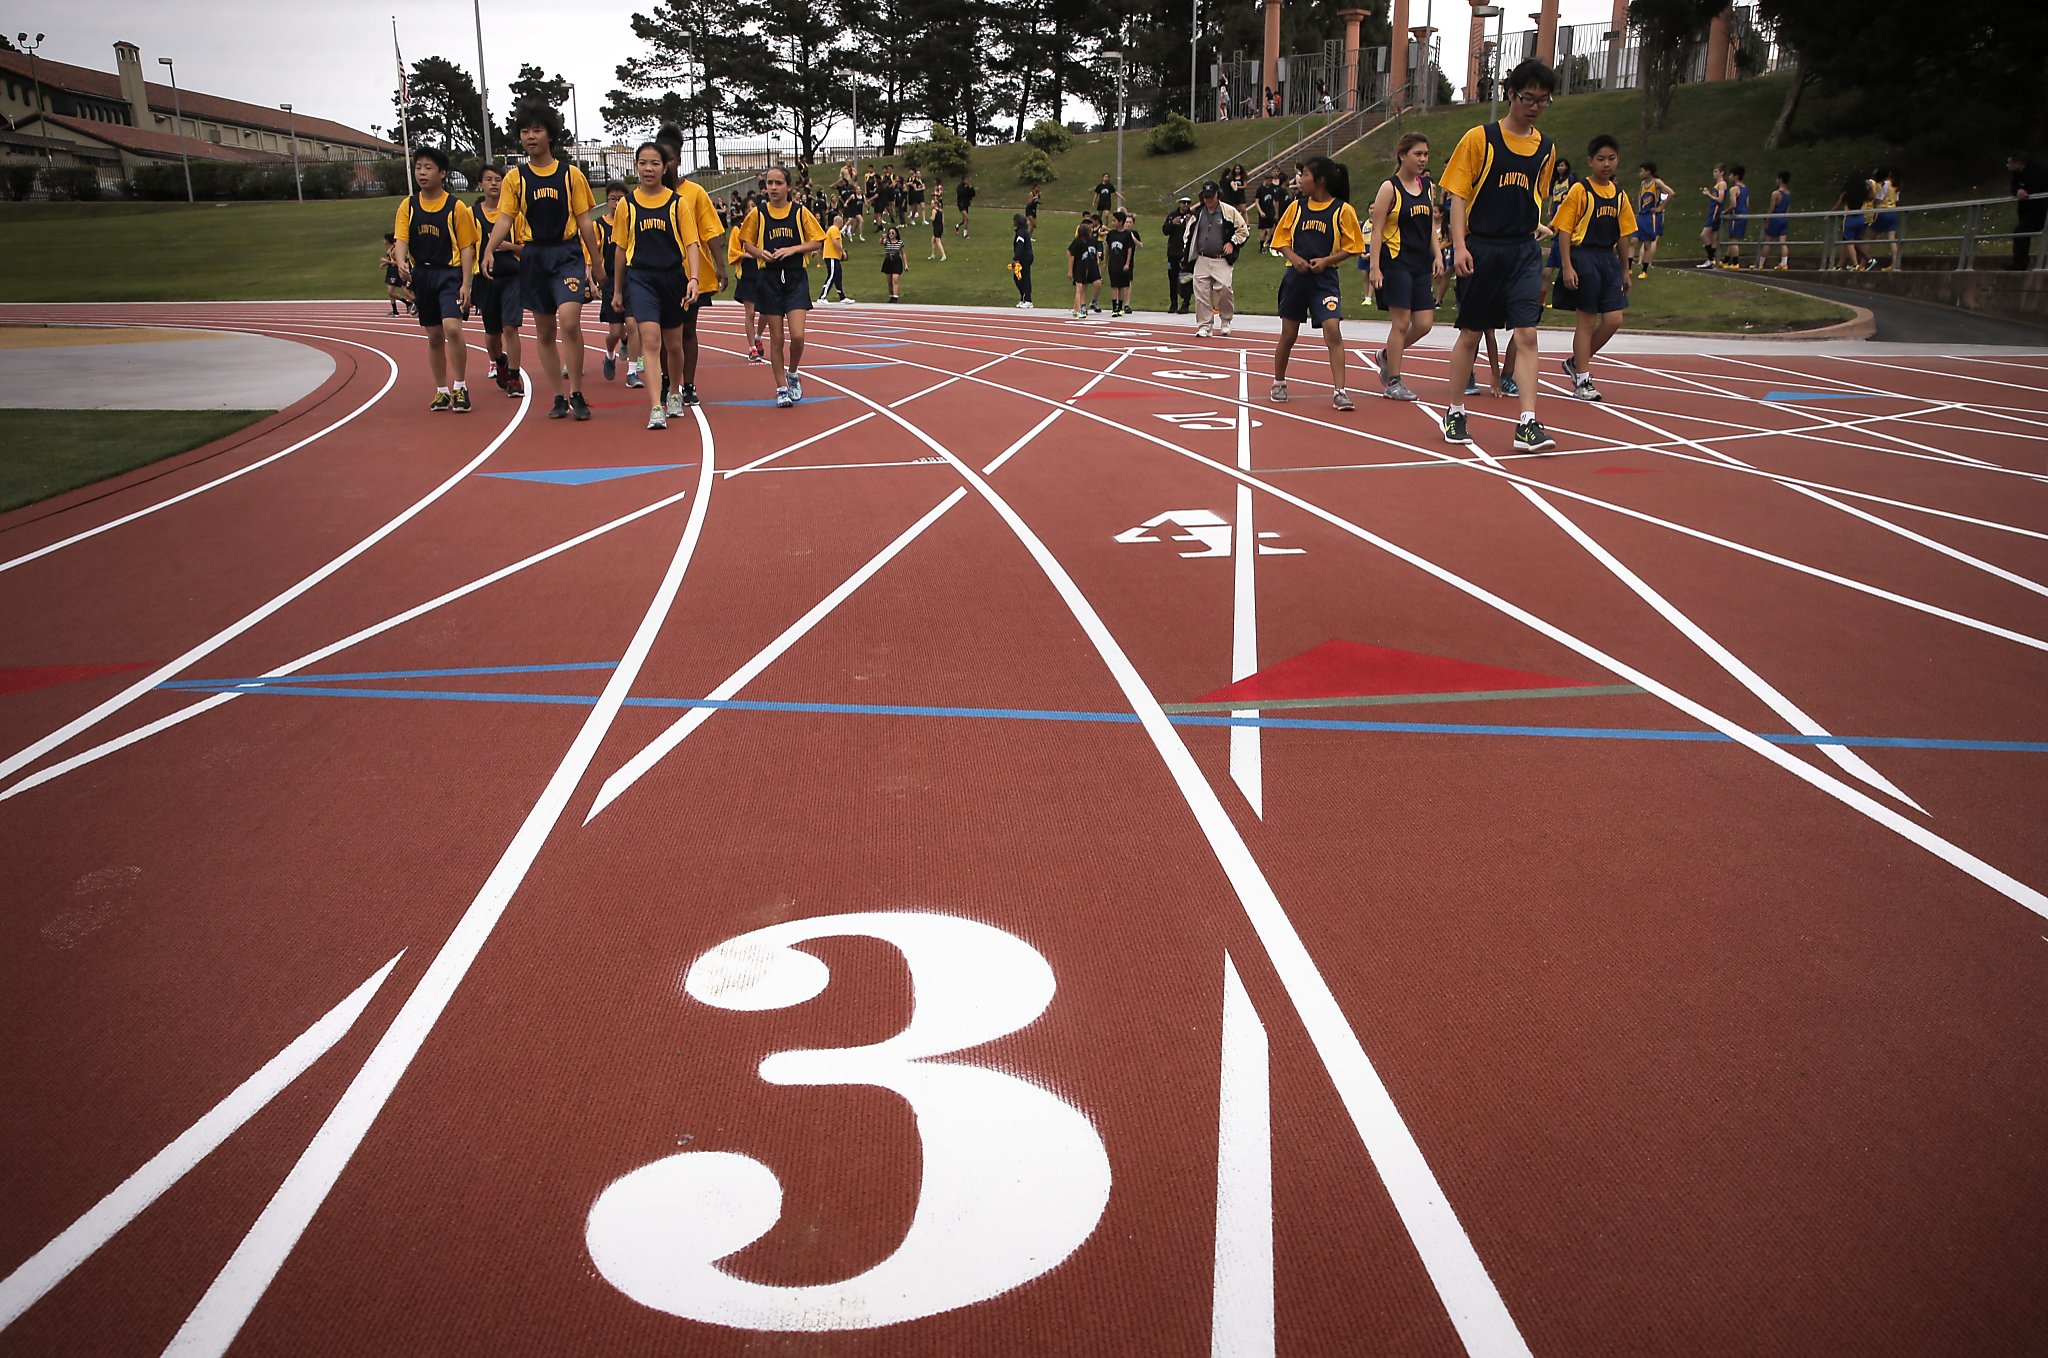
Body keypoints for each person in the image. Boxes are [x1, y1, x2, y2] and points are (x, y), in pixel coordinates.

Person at [1438, 58, 1560, 454]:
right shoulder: (1479, 138)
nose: (1535, 106)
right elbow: (1457, 195)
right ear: (1511, 94)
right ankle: (1454, 410)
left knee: (1526, 333)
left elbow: (1536, 195)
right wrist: (1459, 246)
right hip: (1482, 248)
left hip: (1523, 251)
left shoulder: (1546, 148)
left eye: (1544, 100)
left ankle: (1527, 421)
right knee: (1471, 332)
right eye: (1528, 97)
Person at [483, 102, 605, 421]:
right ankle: (558, 396)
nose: (530, 136)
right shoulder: (515, 179)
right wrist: (489, 249)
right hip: (535, 256)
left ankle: (576, 391)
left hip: (566, 255)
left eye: (537, 130)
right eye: (525, 131)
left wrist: (597, 261)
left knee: (569, 321)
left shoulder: (570, 176)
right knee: (545, 331)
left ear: (550, 134)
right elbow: (505, 219)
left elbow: (585, 221)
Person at [609, 142, 705, 430]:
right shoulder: (628, 204)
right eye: (642, 163)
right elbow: (619, 249)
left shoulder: (677, 203)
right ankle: (655, 406)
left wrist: (694, 279)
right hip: (640, 279)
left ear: (665, 167)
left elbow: (691, 244)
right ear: (636, 166)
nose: (648, 168)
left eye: (654, 163)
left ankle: (674, 391)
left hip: (672, 278)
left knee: (674, 344)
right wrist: (617, 290)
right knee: (650, 340)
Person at [1268, 156, 1366, 411]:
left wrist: (1327, 260)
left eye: (1305, 175)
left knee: (1332, 330)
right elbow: (1279, 240)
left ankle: (1340, 391)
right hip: (1296, 279)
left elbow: (1354, 246)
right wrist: (1295, 258)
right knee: (1288, 334)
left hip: (1325, 280)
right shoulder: (1297, 207)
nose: (1300, 180)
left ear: (1320, 180)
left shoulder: (1343, 210)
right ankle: (1279, 382)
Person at [391, 146, 480, 413]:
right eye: (418, 167)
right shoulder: (408, 205)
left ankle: (460, 385)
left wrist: (466, 284)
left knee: (452, 328)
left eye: (428, 167)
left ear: (442, 173)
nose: (421, 172)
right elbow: (401, 238)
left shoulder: (457, 207)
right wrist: (401, 261)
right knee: (433, 336)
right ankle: (441, 390)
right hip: (423, 275)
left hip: (449, 274)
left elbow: (467, 248)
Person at [1551, 133, 1636, 403]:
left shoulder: (1619, 194)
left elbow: (1624, 235)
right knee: (1586, 322)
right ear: (1590, 162)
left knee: (1614, 319)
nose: (1606, 164)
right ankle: (1583, 379)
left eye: (1611, 159)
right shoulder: (1580, 190)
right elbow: (1564, 229)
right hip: (1583, 258)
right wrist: (1566, 266)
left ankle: (1577, 361)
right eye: (1601, 159)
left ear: (1618, 161)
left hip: (1607, 260)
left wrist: (1625, 269)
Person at [738, 165, 826, 407]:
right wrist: (760, 253)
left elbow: (818, 241)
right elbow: (746, 242)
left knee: (797, 336)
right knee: (777, 338)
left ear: (789, 186)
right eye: (769, 183)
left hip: (795, 278)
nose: (773, 188)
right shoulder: (758, 214)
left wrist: (793, 249)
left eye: (778, 183)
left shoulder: (800, 213)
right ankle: (780, 387)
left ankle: (793, 372)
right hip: (770, 280)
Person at [656, 124, 729, 408]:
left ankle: (688, 384)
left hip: (691, 275)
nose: (666, 164)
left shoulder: (695, 193)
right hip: (658, 273)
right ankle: (666, 379)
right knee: (663, 335)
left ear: (678, 160)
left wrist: (720, 266)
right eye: (661, 159)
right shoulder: (647, 194)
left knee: (687, 330)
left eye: (671, 158)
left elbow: (711, 231)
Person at [1366, 132, 1442, 402]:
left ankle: (1387, 355)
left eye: (1425, 154)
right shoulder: (1390, 188)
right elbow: (1376, 230)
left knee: (1424, 323)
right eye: (1417, 154)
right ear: (1402, 155)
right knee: (1401, 322)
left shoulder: (1427, 187)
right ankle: (1393, 381)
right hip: (1396, 263)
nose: (1422, 159)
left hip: (1420, 264)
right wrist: (1375, 267)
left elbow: (1430, 227)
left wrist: (1437, 255)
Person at [471, 164, 529, 396]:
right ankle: (500, 360)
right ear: (480, 184)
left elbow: (529, 249)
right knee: (492, 333)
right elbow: (465, 249)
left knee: (510, 326)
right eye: (489, 179)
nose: (494, 183)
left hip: (512, 276)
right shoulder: (470, 214)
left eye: (498, 179)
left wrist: (509, 246)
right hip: (485, 279)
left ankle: (514, 376)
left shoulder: (516, 216)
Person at [1182, 181, 1249, 337]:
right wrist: (1188, 253)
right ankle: (1205, 325)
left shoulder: (1229, 211)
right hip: (1202, 258)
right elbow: (1188, 234)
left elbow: (1243, 230)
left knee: (1225, 289)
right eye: (1206, 197)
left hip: (1221, 259)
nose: (1209, 200)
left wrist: (1232, 243)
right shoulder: (1197, 213)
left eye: (1211, 197)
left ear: (1218, 195)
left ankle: (1225, 320)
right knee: (1201, 293)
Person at [597, 180, 638, 382]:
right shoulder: (600, 225)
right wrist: (592, 278)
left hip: (632, 278)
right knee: (615, 331)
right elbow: (593, 255)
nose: (616, 203)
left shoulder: (632, 224)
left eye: (621, 199)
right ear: (607, 201)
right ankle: (610, 355)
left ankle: (632, 371)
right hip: (610, 280)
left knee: (632, 325)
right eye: (613, 198)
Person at [2010, 151, 2048, 270]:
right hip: (2029, 212)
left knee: (2022, 230)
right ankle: (2020, 263)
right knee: (2021, 231)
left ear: (2019, 163)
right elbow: (2013, 187)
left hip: (2043, 208)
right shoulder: (2017, 174)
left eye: (2010, 162)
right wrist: (2018, 191)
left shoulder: (2040, 170)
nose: (2007, 165)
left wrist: (2028, 191)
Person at [1634, 162, 1672, 277]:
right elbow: (1640, 197)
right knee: (1637, 240)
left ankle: (1646, 265)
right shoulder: (1643, 184)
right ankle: (1641, 262)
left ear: (1648, 171)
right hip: (1642, 215)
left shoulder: (1657, 183)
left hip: (1654, 215)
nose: (1639, 173)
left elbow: (1669, 194)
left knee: (1651, 241)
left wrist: (1660, 207)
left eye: (1642, 170)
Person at [1104, 210, 1141, 316]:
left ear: (1120, 222)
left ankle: (1119, 306)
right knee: (1114, 286)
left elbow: (1129, 250)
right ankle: (1114, 307)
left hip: (1122, 263)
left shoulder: (1127, 235)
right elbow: (1108, 247)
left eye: (1114, 220)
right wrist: (1105, 262)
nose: (1113, 223)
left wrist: (1127, 263)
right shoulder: (1111, 234)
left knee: (1121, 286)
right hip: (1113, 263)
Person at [1163, 195, 1195, 314]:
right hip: (1173, 253)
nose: (1186, 205)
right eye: (1183, 203)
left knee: (1186, 278)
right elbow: (1165, 231)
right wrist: (1172, 223)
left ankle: (1185, 303)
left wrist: (1189, 222)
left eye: (1188, 203)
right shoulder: (1172, 215)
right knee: (1172, 278)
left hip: (1186, 253)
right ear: (1179, 203)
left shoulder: (1192, 216)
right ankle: (1173, 303)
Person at [1068, 216, 1103, 319]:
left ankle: (1076, 309)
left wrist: (1097, 260)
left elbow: (1095, 251)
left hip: (1088, 267)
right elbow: (1071, 254)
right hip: (1079, 267)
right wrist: (1070, 270)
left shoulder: (1092, 240)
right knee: (1079, 288)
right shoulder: (1077, 242)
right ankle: (1079, 309)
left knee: (1081, 288)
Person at [1832, 173, 1869, 271]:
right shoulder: (1863, 193)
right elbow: (1872, 197)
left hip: (1850, 218)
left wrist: (1830, 213)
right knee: (1853, 242)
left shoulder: (1846, 193)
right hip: (1861, 218)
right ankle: (1839, 265)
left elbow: (1838, 204)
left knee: (1849, 242)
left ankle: (1855, 264)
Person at [1718, 164, 1749, 268]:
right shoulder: (1745, 188)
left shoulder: (1734, 189)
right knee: (1733, 239)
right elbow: (1747, 203)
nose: (1729, 177)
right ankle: (1726, 260)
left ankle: (1735, 262)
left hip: (1736, 215)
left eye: (1731, 175)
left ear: (1736, 176)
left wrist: (1725, 212)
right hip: (1744, 214)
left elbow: (1733, 204)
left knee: (1734, 240)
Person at [1869, 167, 1900, 271]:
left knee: (1871, 238)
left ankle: (1864, 264)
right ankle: (1895, 264)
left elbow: (1878, 199)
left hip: (1882, 211)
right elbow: (1896, 199)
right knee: (1892, 239)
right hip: (1892, 211)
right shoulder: (1895, 185)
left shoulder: (1885, 184)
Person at [1695, 162, 1725, 269]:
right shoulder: (1717, 185)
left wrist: (1708, 194)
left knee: (1704, 235)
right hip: (1713, 211)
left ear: (1722, 172)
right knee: (1713, 237)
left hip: (1716, 212)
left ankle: (1711, 258)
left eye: (1716, 171)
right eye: (1713, 171)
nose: (1714, 173)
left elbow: (1720, 199)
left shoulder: (1722, 184)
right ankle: (1714, 260)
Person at [1763, 171, 1791, 270]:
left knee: (1767, 241)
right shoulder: (1788, 193)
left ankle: (1761, 263)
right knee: (1783, 241)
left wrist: (1767, 218)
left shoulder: (1776, 193)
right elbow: (1788, 208)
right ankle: (1784, 263)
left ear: (1780, 179)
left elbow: (1772, 207)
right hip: (1784, 218)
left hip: (1775, 218)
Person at [821, 212, 852, 302]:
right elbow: (835, 242)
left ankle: (842, 296)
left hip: (834, 256)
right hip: (831, 256)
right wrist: (842, 251)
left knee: (838, 276)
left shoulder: (833, 229)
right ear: (839, 222)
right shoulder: (834, 229)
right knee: (832, 275)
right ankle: (822, 296)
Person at [381, 234, 413, 315]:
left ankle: (408, 303)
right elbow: (391, 260)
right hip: (390, 271)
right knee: (391, 292)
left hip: (395, 272)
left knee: (392, 292)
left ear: (388, 240)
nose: (383, 241)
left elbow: (399, 262)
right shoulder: (389, 249)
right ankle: (395, 310)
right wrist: (384, 264)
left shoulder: (395, 250)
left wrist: (387, 262)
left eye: (384, 239)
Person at [1011, 212, 1034, 307]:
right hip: (1025, 256)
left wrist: (1016, 258)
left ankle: (1028, 300)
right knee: (1018, 277)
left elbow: (1020, 246)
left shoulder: (1021, 232)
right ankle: (1023, 297)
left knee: (1024, 277)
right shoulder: (1023, 231)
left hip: (1024, 257)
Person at [879, 222, 906, 300]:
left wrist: (906, 264)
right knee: (889, 281)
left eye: (893, 233)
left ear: (896, 234)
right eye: (890, 233)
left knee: (895, 279)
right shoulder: (887, 241)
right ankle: (891, 296)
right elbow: (881, 242)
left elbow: (903, 253)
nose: (891, 234)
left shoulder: (900, 242)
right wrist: (883, 237)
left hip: (896, 261)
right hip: (888, 261)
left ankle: (895, 296)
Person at [928, 180, 949, 260]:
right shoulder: (940, 211)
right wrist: (943, 228)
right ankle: (933, 254)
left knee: (938, 241)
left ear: (935, 204)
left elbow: (933, 219)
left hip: (936, 228)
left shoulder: (934, 211)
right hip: (940, 227)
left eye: (932, 203)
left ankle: (943, 255)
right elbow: (942, 220)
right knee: (933, 240)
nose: (931, 204)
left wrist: (930, 218)